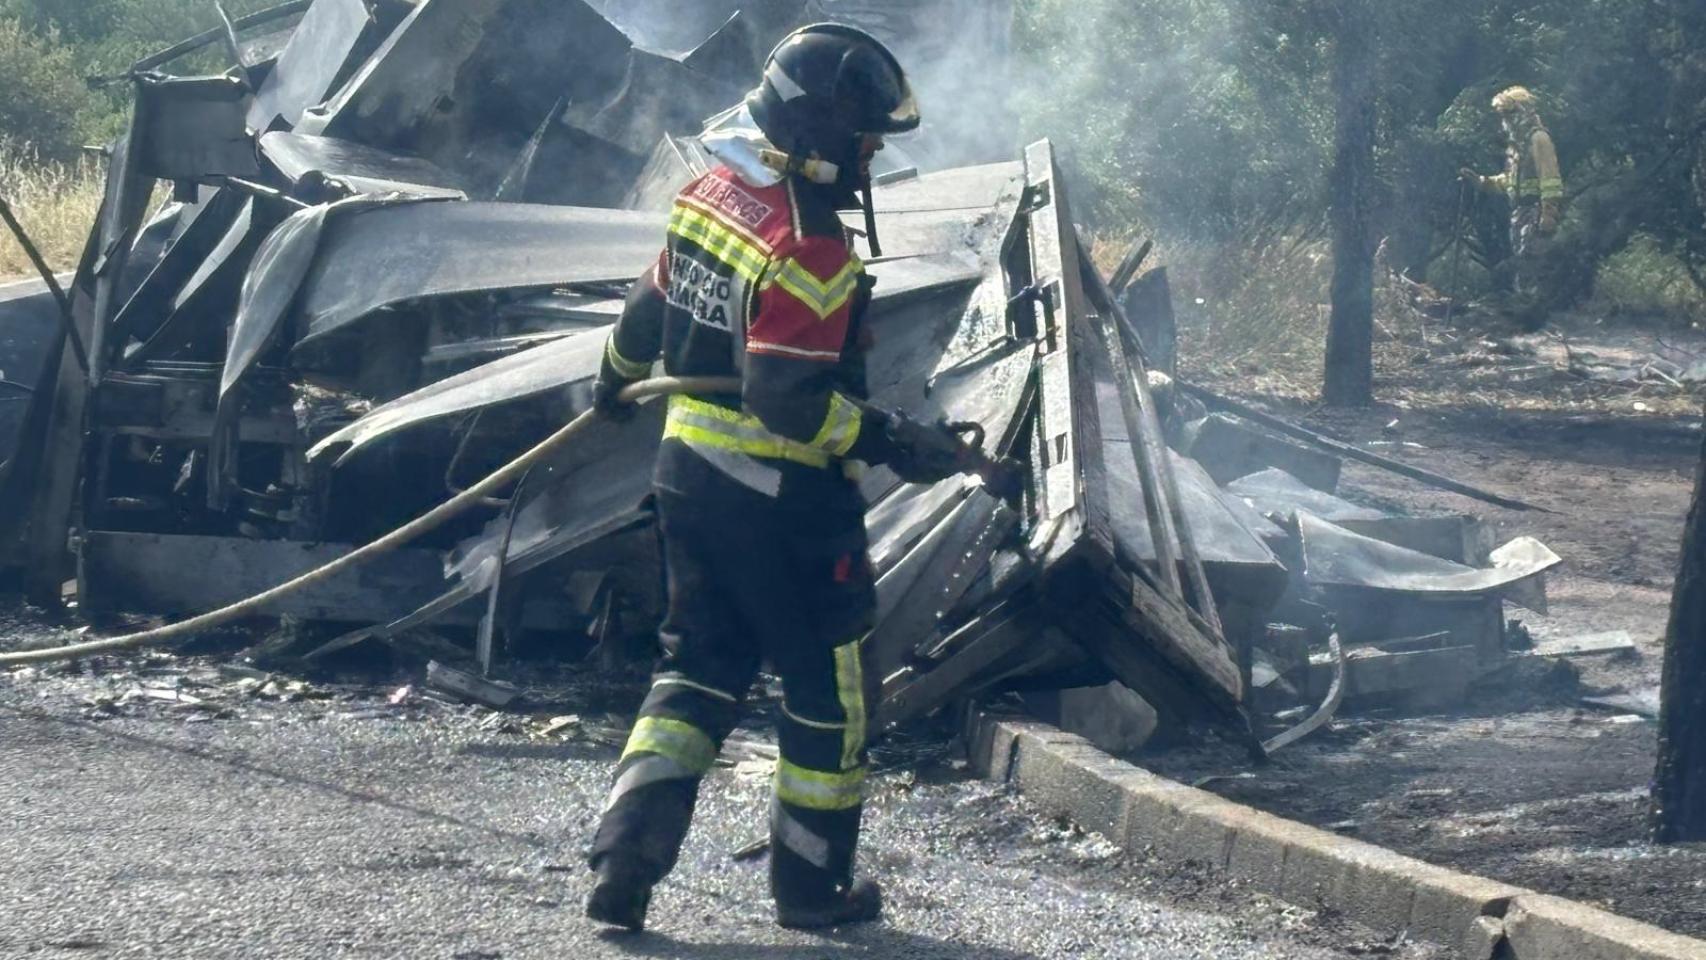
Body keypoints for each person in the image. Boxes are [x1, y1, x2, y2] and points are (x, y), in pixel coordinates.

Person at [583, 23, 993, 933]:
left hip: (685, 477)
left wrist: (611, 382)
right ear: (816, 131)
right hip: (782, 506)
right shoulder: (812, 243)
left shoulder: (712, 190)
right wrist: (888, 436)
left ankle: (622, 866)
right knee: (827, 698)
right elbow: (783, 398)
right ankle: (810, 891)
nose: (873, 151)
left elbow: (648, 307)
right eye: (862, 134)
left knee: (696, 673)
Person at [1461, 85, 1565, 303]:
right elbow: (1509, 181)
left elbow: (1550, 178)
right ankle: (1525, 311)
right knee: (1522, 264)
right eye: (1503, 116)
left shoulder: (1539, 139)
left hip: (1535, 212)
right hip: (1519, 213)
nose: (1505, 121)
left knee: (1533, 264)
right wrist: (1482, 181)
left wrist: (1549, 212)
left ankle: (1535, 313)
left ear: (1522, 112)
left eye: (1509, 114)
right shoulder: (1516, 146)